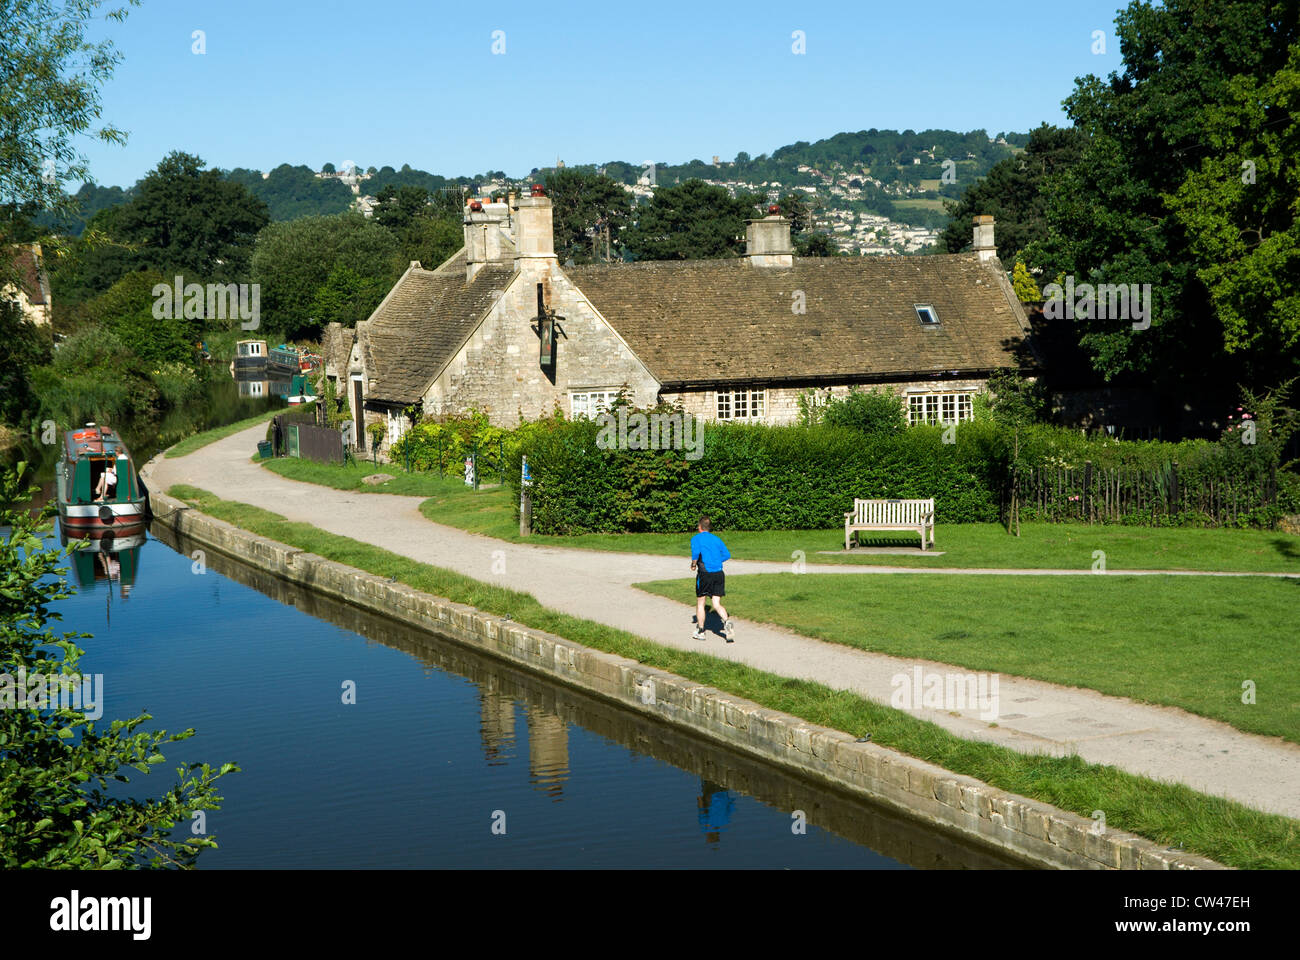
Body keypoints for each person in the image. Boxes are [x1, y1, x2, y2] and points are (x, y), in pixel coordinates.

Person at [690, 515, 734, 642]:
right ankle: (727, 622)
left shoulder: (696, 538)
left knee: (701, 603)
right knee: (716, 603)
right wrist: (715, 561)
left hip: (705, 574)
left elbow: (695, 554)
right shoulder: (716, 539)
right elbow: (727, 554)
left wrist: (693, 565)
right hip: (719, 573)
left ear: (699, 527)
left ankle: (701, 631)